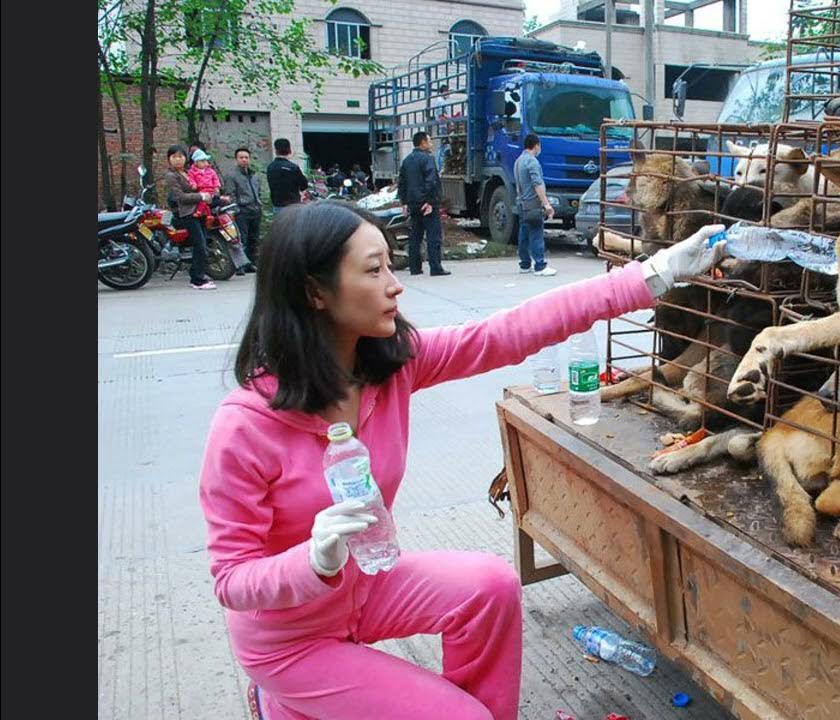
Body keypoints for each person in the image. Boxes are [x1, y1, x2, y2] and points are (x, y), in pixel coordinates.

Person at [199, 200, 725, 720]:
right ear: (315, 291)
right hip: (290, 639)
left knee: (491, 587)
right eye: (374, 270)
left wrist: (656, 273)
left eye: (391, 264)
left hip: (366, 586)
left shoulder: (391, 366)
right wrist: (311, 561)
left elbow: (507, 333)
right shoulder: (245, 426)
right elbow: (231, 580)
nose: (395, 285)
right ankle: (279, 702)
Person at [163, 145, 217, 290]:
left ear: (186, 158)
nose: (178, 160)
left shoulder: (189, 172)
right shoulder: (171, 176)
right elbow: (180, 196)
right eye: (174, 157)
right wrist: (201, 196)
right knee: (200, 245)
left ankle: (199, 275)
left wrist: (210, 193)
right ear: (169, 159)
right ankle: (197, 280)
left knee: (202, 245)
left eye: (180, 156)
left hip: (201, 212)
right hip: (187, 213)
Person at [397, 132, 449, 276]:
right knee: (433, 236)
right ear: (423, 143)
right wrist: (430, 201)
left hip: (413, 204)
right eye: (429, 141)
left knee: (415, 236)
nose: (431, 144)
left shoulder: (407, 160)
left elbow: (402, 183)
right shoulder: (428, 159)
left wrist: (404, 202)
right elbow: (431, 181)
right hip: (427, 204)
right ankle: (435, 267)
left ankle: (415, 268)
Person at [514, 133, 556, 276]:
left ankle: (525, 264)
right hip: (532, 204)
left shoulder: (518, 161)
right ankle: (540, 266)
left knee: (524, 234)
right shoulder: (532, 162)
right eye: (539, 146)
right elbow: (538, 184)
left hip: (521, 203)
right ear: (536, 145)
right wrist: (546, 204)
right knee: (536, 233)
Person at [227, 147, 264, 266]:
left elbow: (258, 191)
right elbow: (230, 194)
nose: (244, 160)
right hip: (242, 210)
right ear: (236, 159)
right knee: (242, 239)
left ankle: (251, 263)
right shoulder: (232, 175)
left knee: (254, 238)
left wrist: (259, 204)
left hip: (255, 209)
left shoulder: (254, 175)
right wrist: (236, 209)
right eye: (241, 157)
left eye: (246, 157)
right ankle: (241, 265)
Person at [267, 138, 309, 209]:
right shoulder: (293, 167)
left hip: (277, 206)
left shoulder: (270, 167)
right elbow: (304, 185)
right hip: (293, 207)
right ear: (289, 150)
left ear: (276, 151)